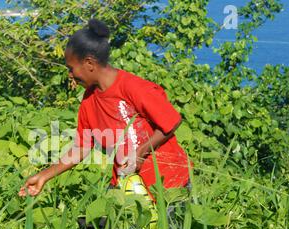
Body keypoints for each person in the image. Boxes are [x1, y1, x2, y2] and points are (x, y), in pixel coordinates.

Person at [18, 19, 192, 211]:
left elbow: (171, 121)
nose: (70, 74)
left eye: (71, 68)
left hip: (168, 186)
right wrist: (44, 176)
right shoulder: (88, 101)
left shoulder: (132, 87)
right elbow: (81, 147)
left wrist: (140, 152)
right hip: (128, 186)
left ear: (89, 63)